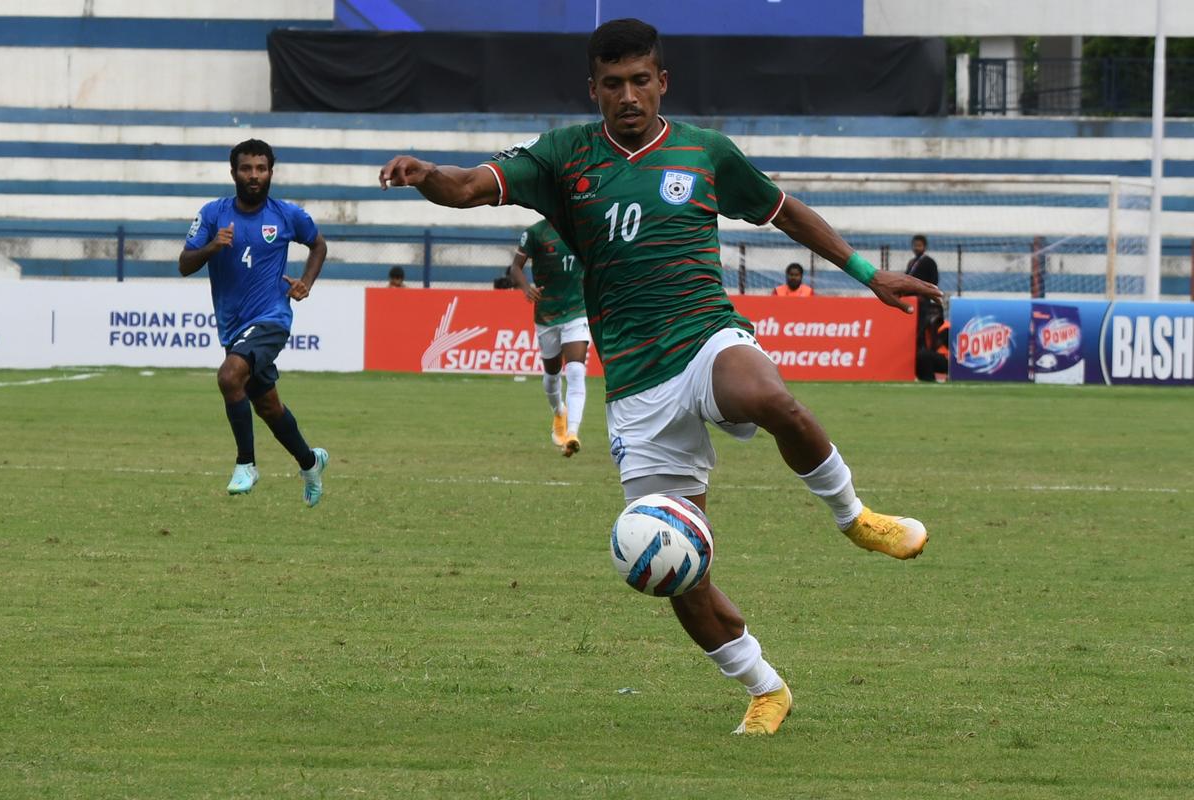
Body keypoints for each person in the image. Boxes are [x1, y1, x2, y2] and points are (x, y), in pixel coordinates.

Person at [378, 18, 941, 736]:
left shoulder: (705, 153)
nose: (628, 95)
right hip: (639, 388)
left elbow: (784, 211)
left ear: (662, 81)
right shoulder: (562, 157)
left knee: (770, 398)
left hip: (705, 337)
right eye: (612, 84)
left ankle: (854, 518)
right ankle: (765, 687)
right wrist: (426, 175)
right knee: (675, 567)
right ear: (594, 90)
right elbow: (466, 185)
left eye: (640, 80)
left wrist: (868, 274)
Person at [179, 138, 330, 506]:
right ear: (233, 172)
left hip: (272, 318)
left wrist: (306, 283)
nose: (254, 175)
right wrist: (212, 247)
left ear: (270, 173)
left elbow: (319, 245)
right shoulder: (213, 214)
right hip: (234, 327)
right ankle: (311, 463)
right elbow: (184, 264)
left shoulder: (286, 215)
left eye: (261, 169)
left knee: (230, 376)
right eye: (246, 168)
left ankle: (246, 464)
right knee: (268, 407)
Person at [507, 218, 590, 456]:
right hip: (547, 315)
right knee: (552, 376)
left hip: (577, 311)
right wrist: (526, 288)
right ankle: (558, 411)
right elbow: (515, 268)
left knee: (575, 371)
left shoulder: (582, 228)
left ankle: (572, 433)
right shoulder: (535, 233)